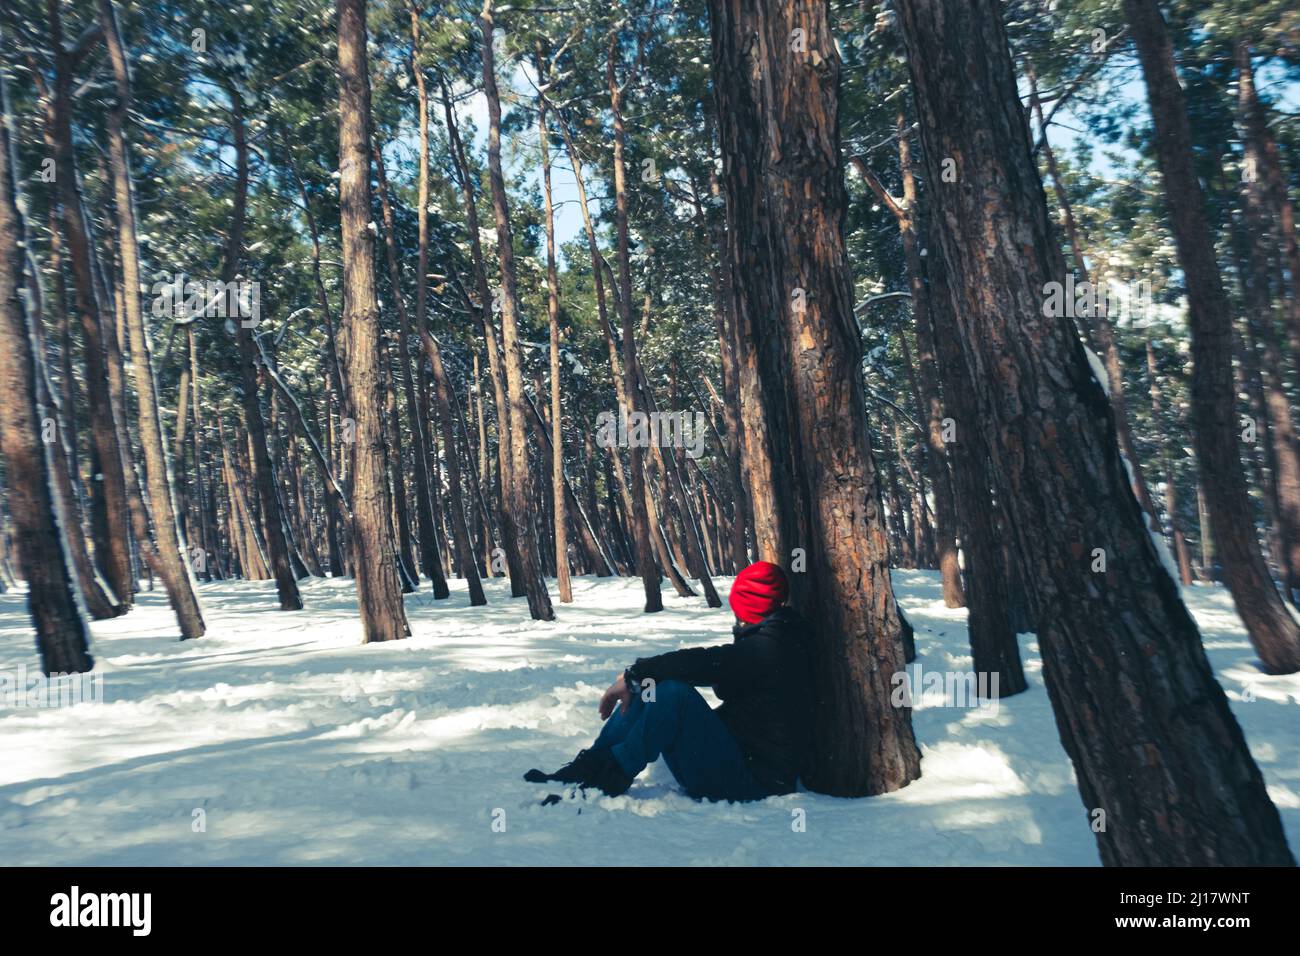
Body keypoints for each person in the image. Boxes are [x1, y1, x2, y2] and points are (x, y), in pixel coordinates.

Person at [524, 561, 814, 802]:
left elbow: (702, 662)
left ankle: (613, 773)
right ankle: (593, 765)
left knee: (673, 693)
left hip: (756, 783)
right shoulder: (775, 637)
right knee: (651, 685)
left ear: (745, 606)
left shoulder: (770, 647)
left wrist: (636, 673)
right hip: (739, 762)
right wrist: (637, 677)